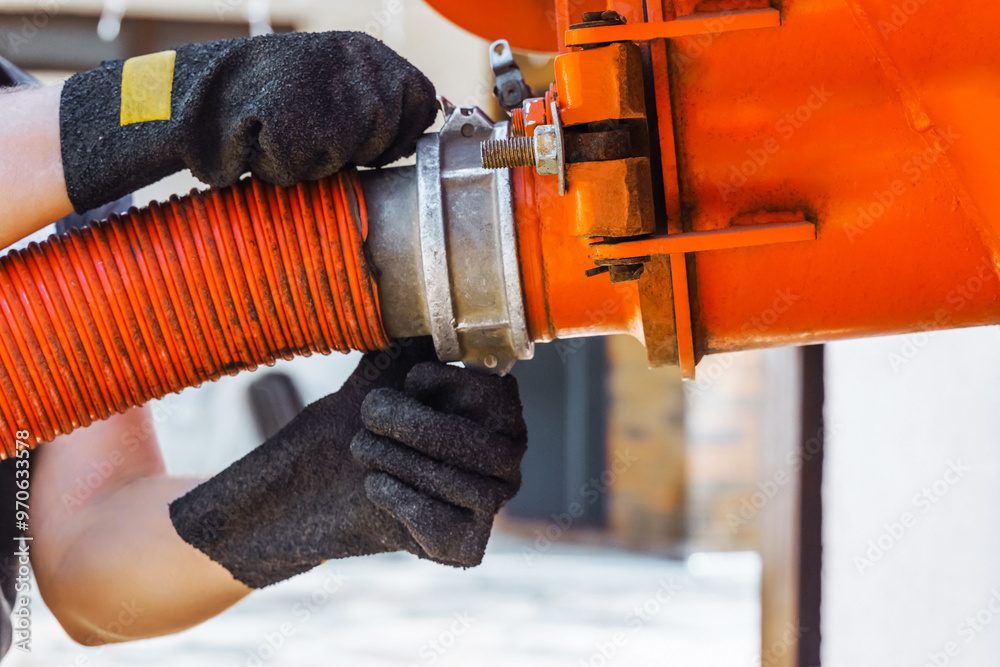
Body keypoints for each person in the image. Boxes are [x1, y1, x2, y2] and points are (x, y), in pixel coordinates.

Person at [0, 30, 527, 655]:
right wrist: (180, 96)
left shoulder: (53, 176)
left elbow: (86, 565)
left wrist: (314, 490)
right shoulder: (61, 147)